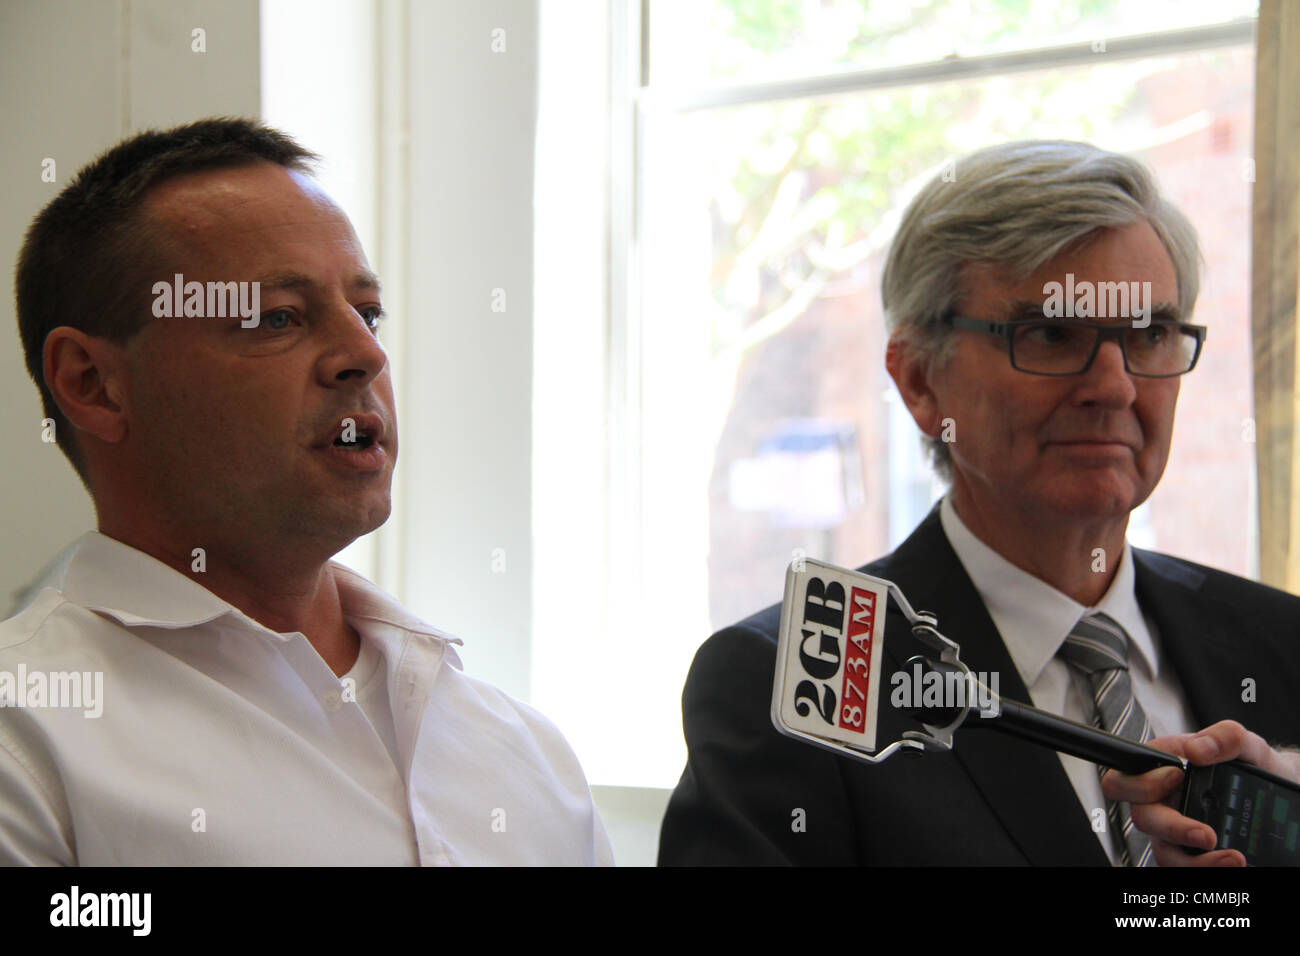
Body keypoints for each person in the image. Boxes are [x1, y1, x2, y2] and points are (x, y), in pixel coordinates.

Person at [658, 140, 1300, 866]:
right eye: (1053, 334)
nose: (1116, 387)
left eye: (1148, 334)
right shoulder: (805, 679)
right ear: (921, 383)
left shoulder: (1281, 646)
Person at [1, 117, 612, 866]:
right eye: (276, 317)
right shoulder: (24, 739)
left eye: (369, 311)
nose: (365, 353)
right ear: (93, 384)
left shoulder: (527, 756)